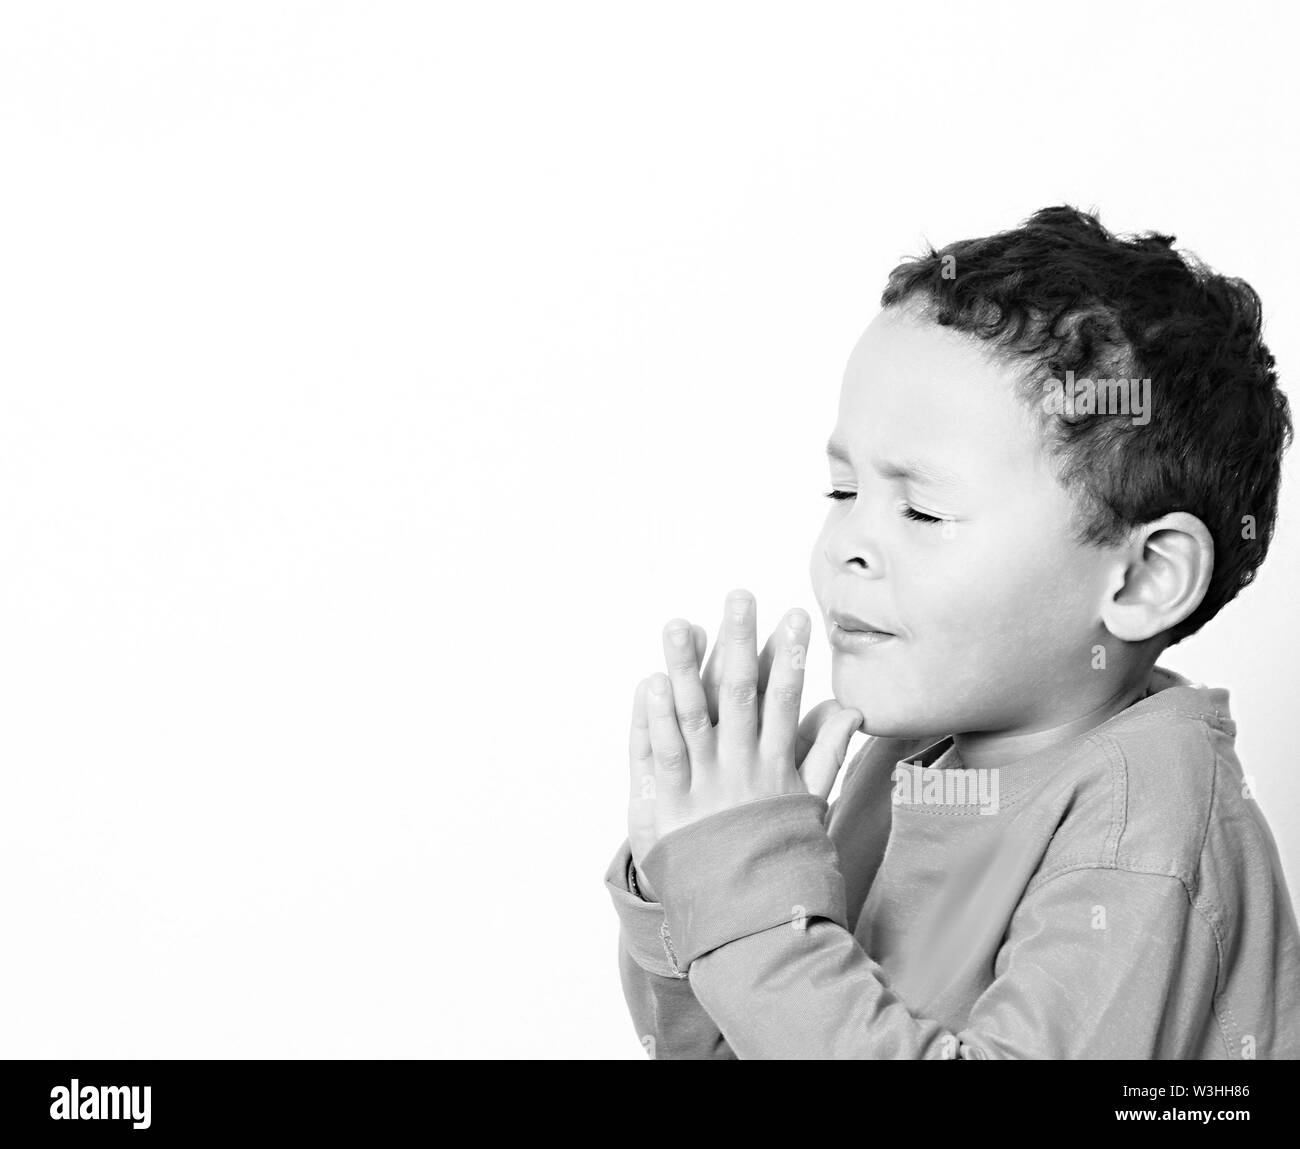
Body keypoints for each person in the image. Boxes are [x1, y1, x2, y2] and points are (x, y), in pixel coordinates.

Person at [605, 205, 1300, 1059]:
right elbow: (730, 1045)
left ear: (1144, 577)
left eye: (923, 508)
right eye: (843, 493)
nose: (849, 544)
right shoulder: (910, 753)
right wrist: (688, 866)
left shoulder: (1144, 831)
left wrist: (749, 902)